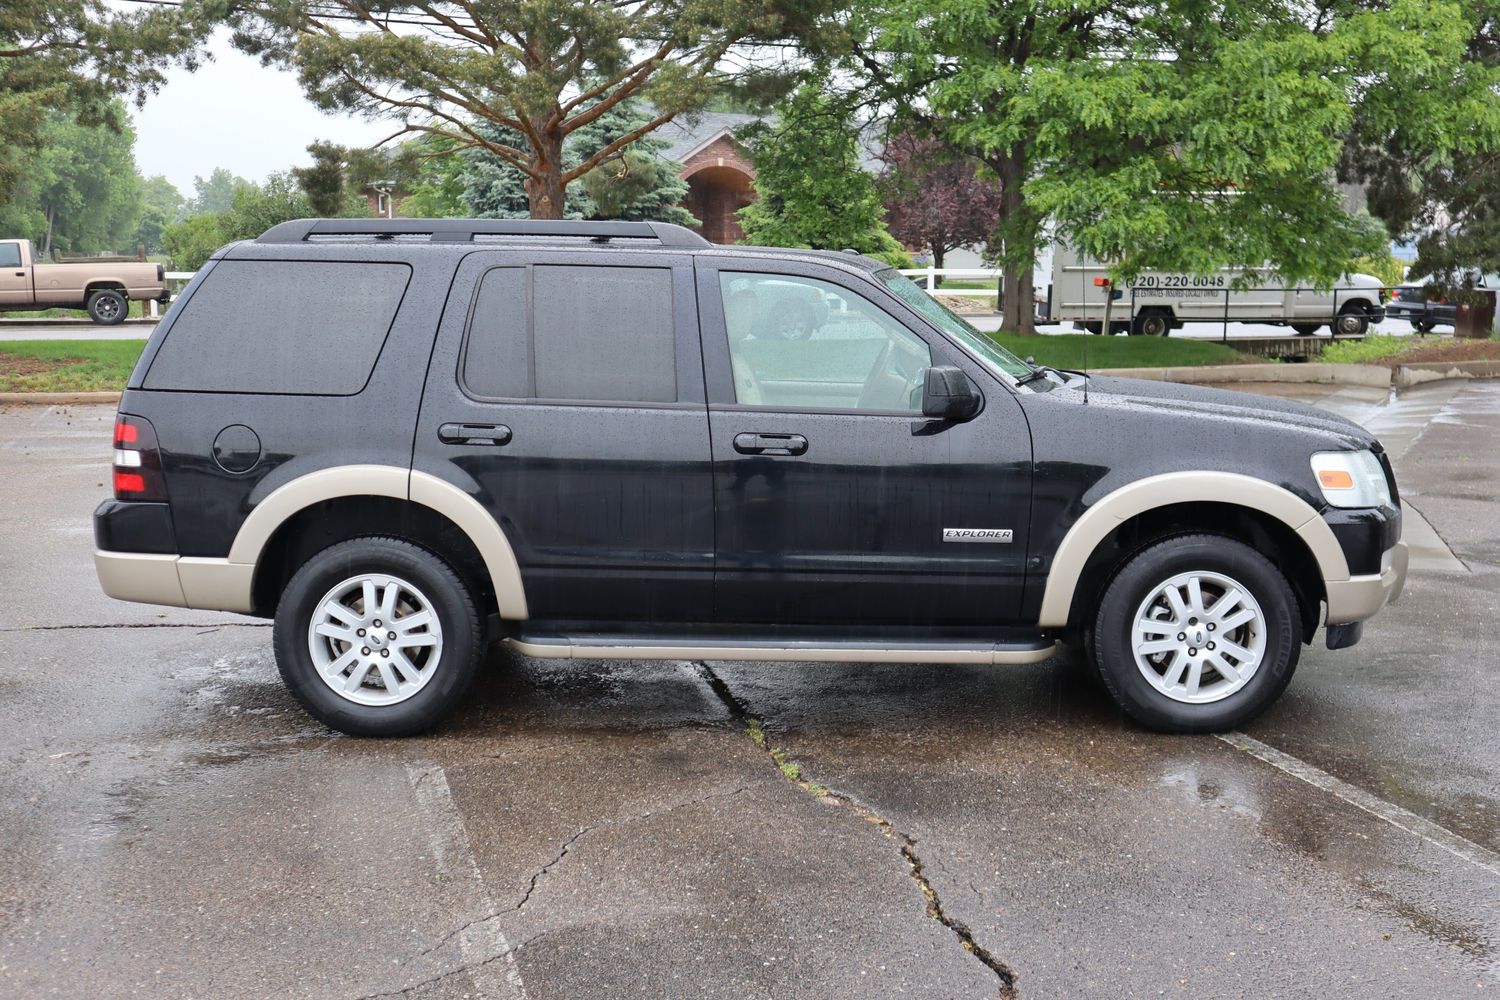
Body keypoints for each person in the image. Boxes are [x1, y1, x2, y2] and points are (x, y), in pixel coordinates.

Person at [724, 286, 765, 405]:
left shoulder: (736, 351)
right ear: (729, 314)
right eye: (747, 313)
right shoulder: (719, 361)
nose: (753, 320)